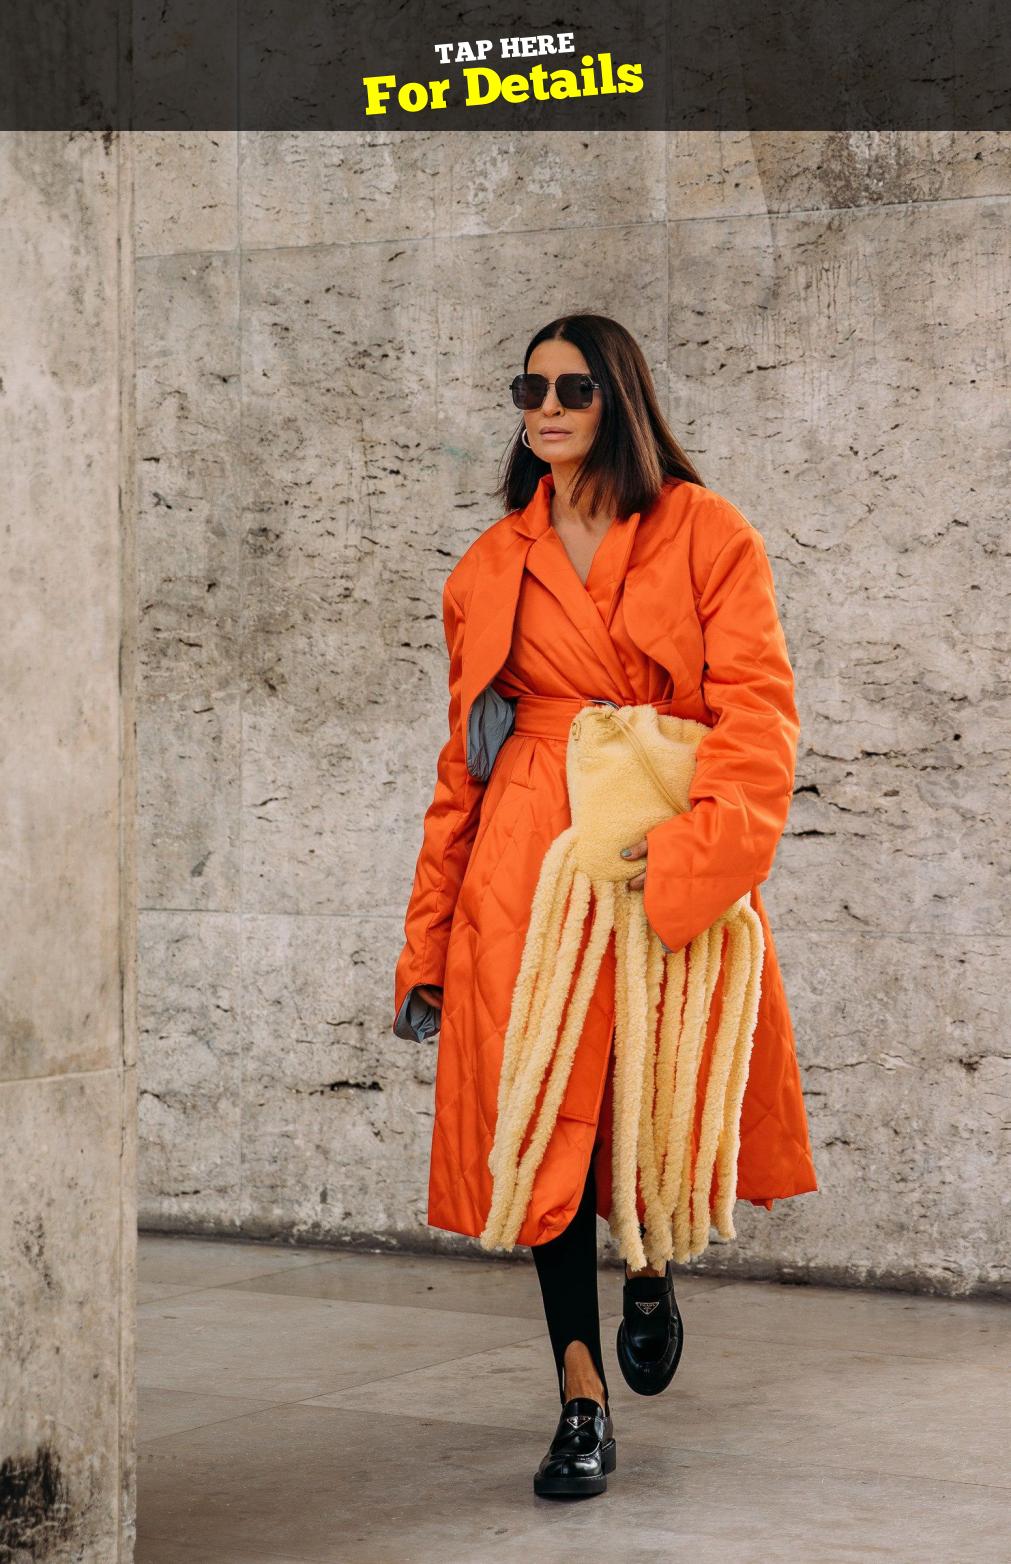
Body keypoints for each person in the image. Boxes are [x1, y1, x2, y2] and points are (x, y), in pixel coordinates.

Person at [392, 313, 818, 1498]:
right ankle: (579, 1393)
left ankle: (651, 1260)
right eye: (529, 385)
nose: (547, 404)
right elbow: (460, 765)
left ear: (619, 396)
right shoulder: (486, 567)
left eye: (573, 385)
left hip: (652, 835)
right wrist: (428, 939)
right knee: (542, 1119)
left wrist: (693, 854)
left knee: (644, 1093)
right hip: (526, 859)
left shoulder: (705, 531)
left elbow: (759, 717)